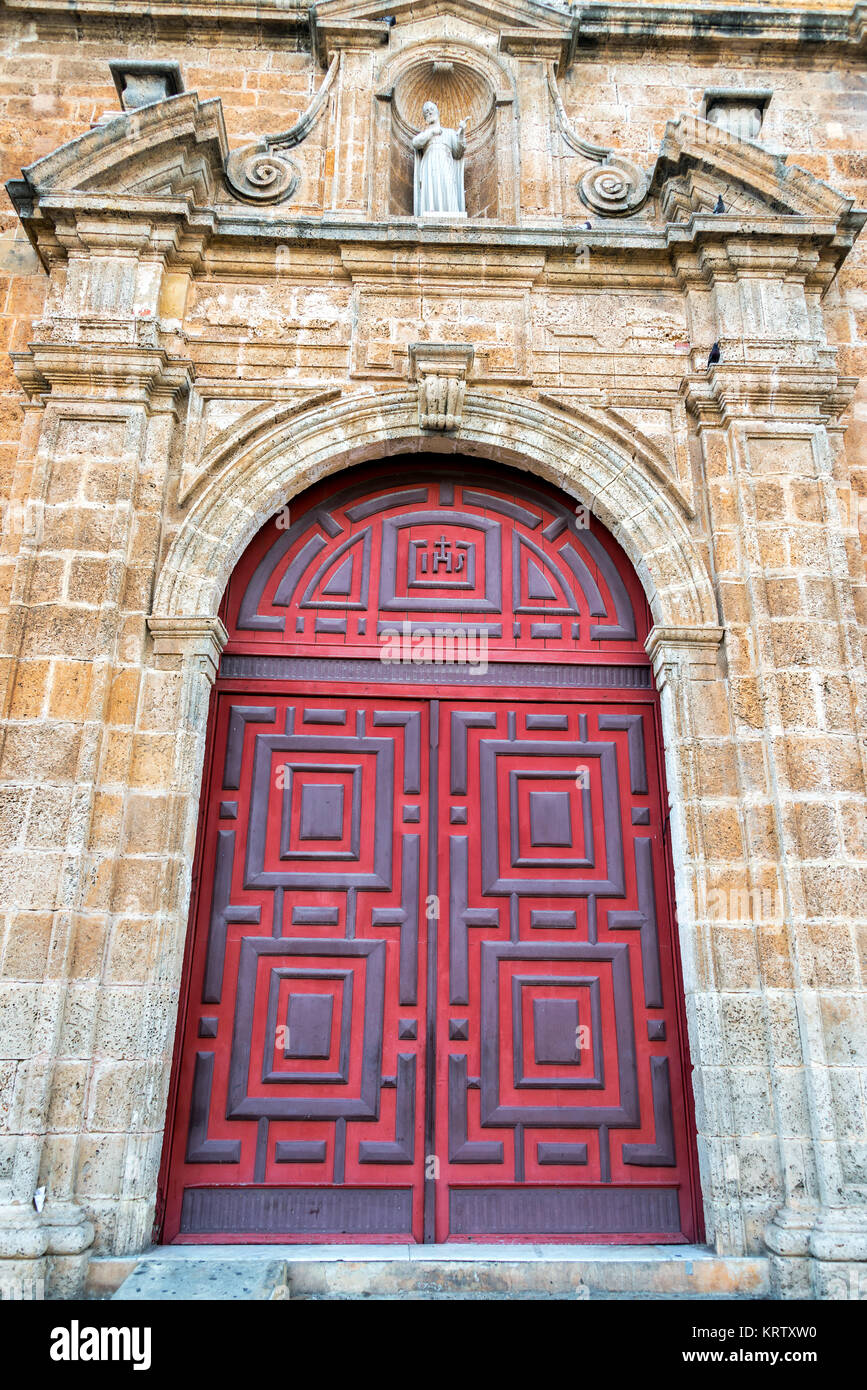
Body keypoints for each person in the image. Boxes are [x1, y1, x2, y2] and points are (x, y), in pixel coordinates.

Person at [412, 100, 467, 216]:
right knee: (431, 189)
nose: (429, 112)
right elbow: (416, 143)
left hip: (445, 163)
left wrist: (462, 132)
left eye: (431, 109)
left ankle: (451, 211)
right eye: (426, 111)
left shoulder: (449, 133)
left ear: (437, 112)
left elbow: (458, 152)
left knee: (447, 186)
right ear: (424, 117)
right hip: (429, 164)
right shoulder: (426, 134)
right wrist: (432, 132)